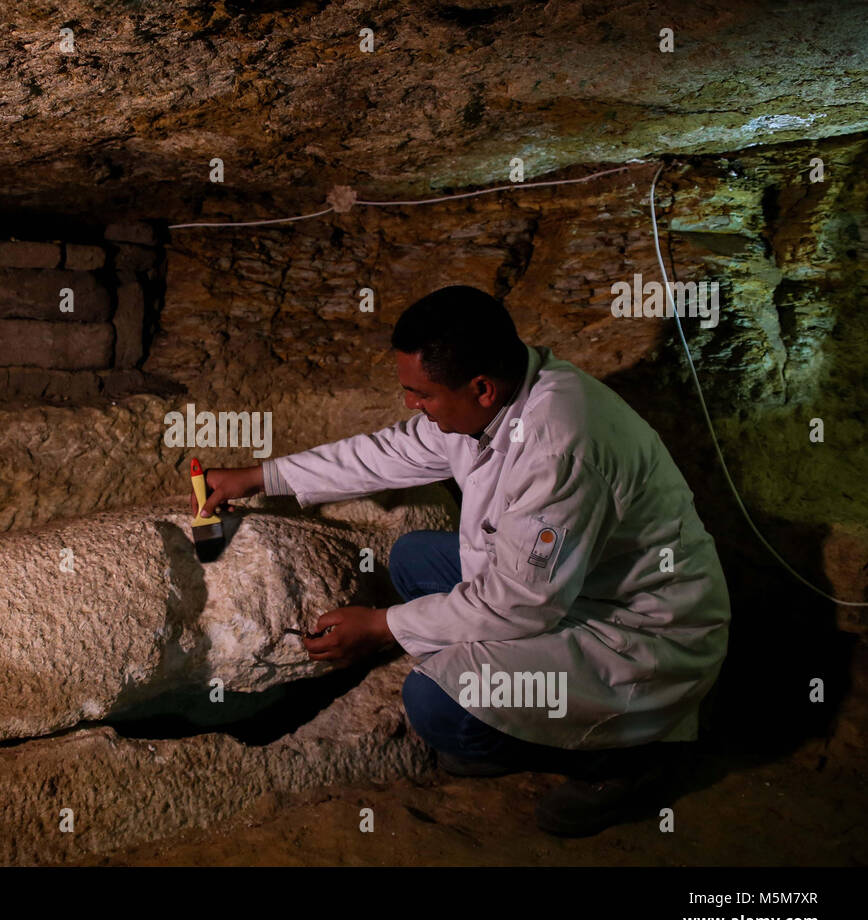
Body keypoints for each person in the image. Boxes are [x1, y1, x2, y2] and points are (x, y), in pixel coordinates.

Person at [192, 284, 731, 837]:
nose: (411, 405)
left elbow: (522, 604)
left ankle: (629, 756)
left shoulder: (558, 447)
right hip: (569, 586)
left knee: (437, 706)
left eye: (421, 394)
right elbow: (388, 453)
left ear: (481, 387)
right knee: (412, 558)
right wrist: (259, 476)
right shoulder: (498, 403)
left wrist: (383, 628)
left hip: (633, 631)